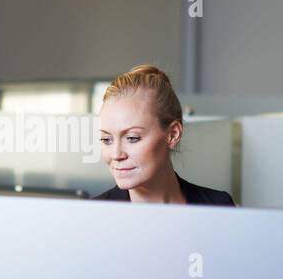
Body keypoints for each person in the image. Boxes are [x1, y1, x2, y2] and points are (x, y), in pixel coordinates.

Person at [91, 64, 235, 206]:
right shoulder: (93, 214)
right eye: (107, 140)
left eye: (132, 138)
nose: (116, 155)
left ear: (172, 134)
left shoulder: (219, 206)